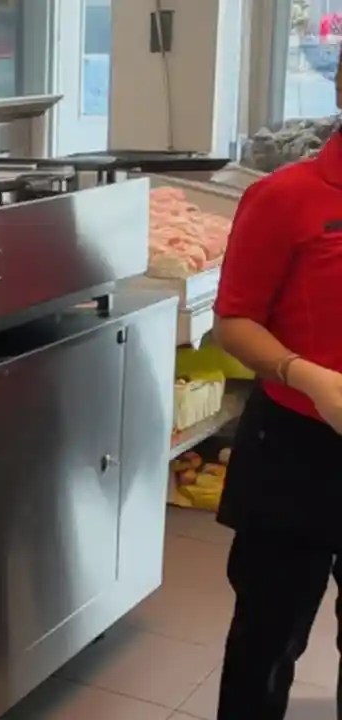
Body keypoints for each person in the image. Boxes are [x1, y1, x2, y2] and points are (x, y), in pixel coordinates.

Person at [213, 54, 342, 719]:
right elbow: (234, 321)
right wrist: (306, 374)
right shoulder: (288, 196)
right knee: (267, 639)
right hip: (297, 449)